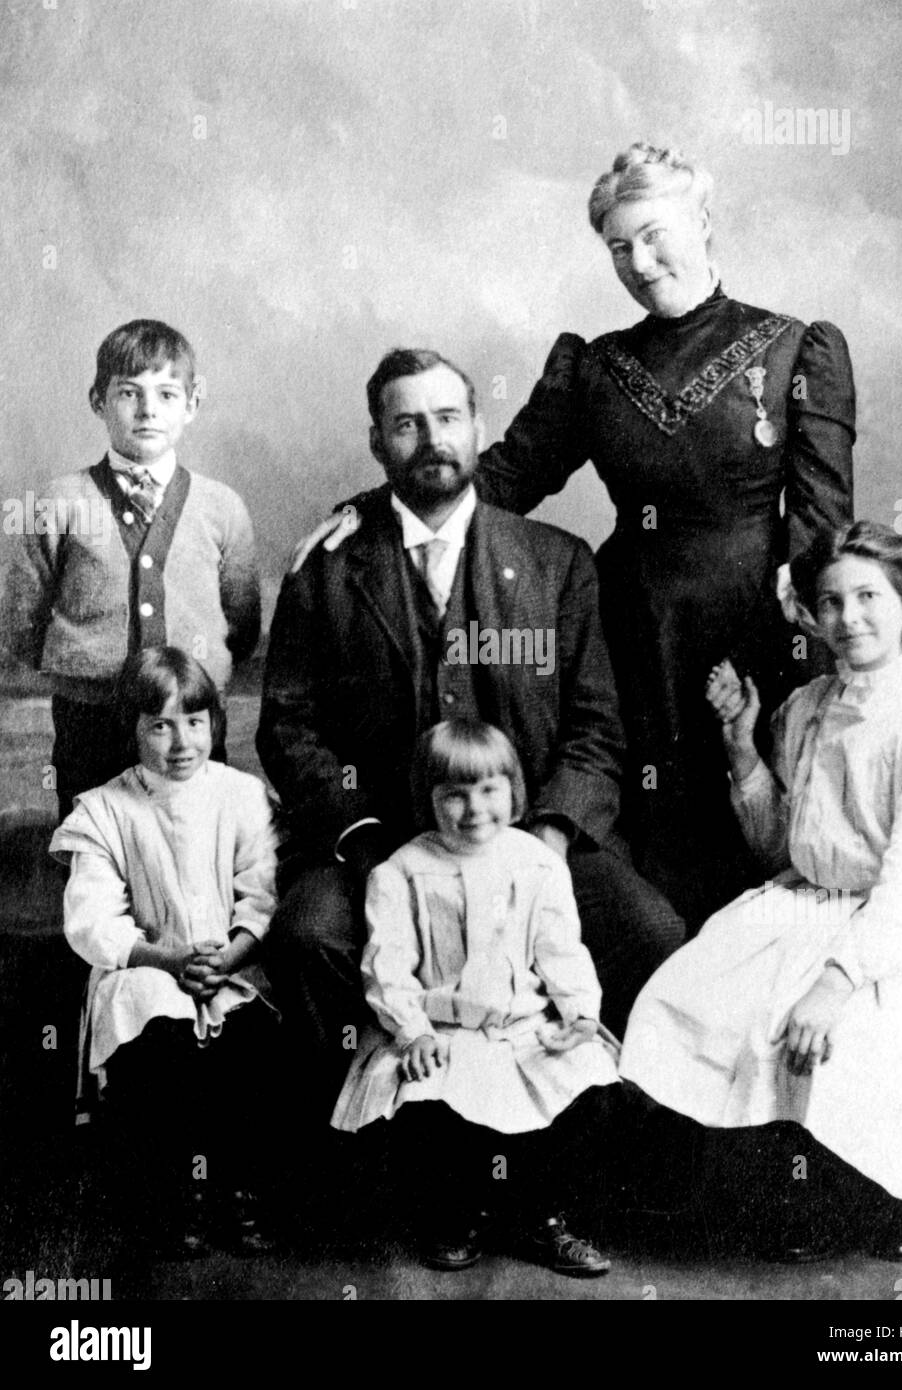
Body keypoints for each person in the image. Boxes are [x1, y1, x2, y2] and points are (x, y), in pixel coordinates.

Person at [292, 144, 855, 926]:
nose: (641, 261)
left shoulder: (797, 348)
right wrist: (372, 506)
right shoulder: (596, 367)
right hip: (631, 631)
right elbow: (503, 475)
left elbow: (824, 524)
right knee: (644, 852)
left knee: (762, 829)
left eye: (655, 234)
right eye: (619, 246)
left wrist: (826, 629)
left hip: (757, 624)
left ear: (702, 222)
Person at [257, 347, 684, 1125]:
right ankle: (364, 1159)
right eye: (407, 424)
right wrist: (366, 838)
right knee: (308, 936)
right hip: (380, 842)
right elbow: (288, 725)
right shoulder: (324, 569)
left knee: (647, 929)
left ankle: (591, 1149)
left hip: (527, 839)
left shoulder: (556, 562)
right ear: (377, 442)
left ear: (477, 428)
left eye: (448, 418)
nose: (431, 439)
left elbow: (595, 727)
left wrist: (548, 840)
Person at [618, 522, 902, 1261]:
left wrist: (837, 978)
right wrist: (742, 747)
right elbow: (780, 846)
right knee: (694, 993)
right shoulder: (809, 707)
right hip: (806, 903)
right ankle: (779, 1181)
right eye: (830, 602)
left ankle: (893, 1194)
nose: (848, 618)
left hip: (898, 932)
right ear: (811, 614)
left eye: (868, 597)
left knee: (843, 1036)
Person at [333, 718, 619, 1275]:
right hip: (440, 1031)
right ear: (428, 798)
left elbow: (562, 948)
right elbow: (387, 966)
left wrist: (581, 1012)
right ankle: (459, 1213)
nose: (474, 808)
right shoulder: (402, 872)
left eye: (489, 790)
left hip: (522, 1024)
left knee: (589, 1085)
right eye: (454, 795)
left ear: (514, 790)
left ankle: (542, 1217)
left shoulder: (536, 864)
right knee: (434, 1108)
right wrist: (411, 1030)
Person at [50, 647, 280, 1259]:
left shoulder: (242, 796)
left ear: (214, 725)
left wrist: (229, 956)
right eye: (160, 724)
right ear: (131, 727)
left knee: (251, 1039)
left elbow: (262, 892)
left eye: (195, 721)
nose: (181, 742)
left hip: (233, 960)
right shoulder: (102, 810)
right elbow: (92, 922)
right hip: (147, 967)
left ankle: (240, 1188)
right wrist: (170, 961)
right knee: (162, 1042)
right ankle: (182, 1194)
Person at [1, 319, 261, 821]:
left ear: (192, 405)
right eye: (129, 393)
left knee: (195, 845)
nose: (147, 410)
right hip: (90, 721)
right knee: (94, 848)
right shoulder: (60, 501)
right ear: (98, 401)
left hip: (192, 718)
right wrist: (84, 674)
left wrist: (196, 675)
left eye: (166, 394)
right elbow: (21, 619)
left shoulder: (220, 506)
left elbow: (241, 624)